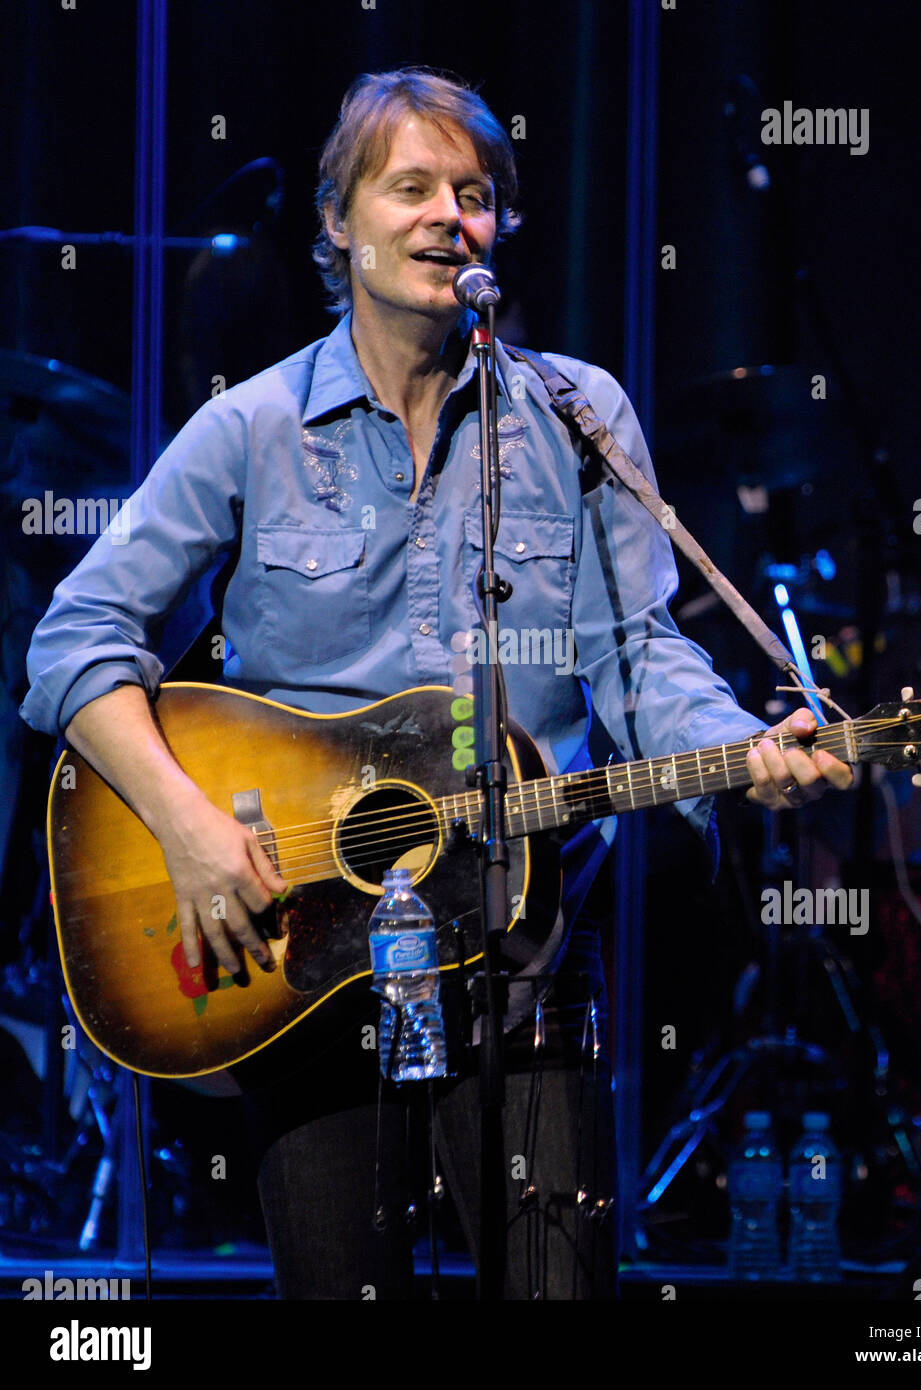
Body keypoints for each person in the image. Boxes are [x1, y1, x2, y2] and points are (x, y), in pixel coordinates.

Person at [20, 67, 852, 1299]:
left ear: (498, 233)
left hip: (524, 970)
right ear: (338, 224)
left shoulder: (576, 417)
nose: (443, 216)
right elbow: (72, 638)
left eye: (472, 193)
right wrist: (188, 829)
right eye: (407, 187)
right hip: (306, 968)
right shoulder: (250, 429)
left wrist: (744, 747)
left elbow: (638, 651)